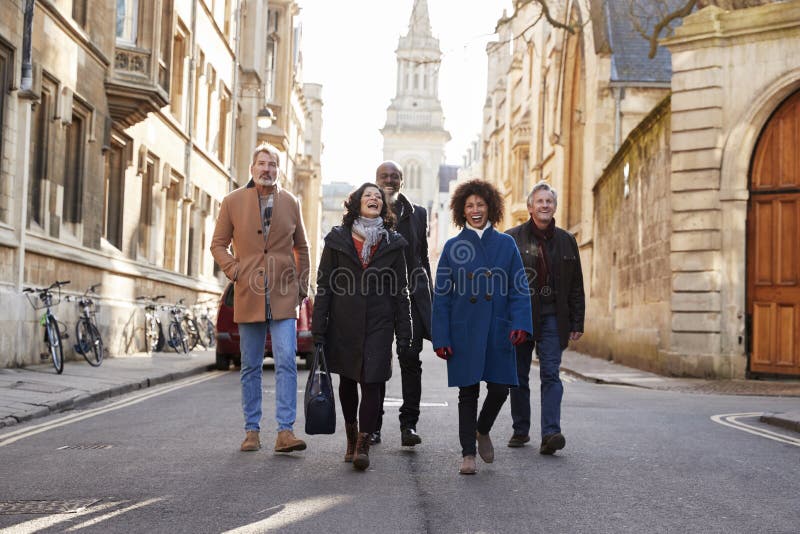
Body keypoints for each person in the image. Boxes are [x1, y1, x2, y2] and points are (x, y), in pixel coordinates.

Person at [210, 143, 310, 454]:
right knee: (250, 365)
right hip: (248, 292)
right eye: (262, 163)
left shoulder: (291, 202)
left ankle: (285, 431)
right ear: (252, 168)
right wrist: (235, 270)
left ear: (279, 170)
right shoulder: (232, 201)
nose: (267, 169)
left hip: (283, 295)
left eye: (272, 164)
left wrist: (301, 288)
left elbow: (302, 248)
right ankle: (251, 431)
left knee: (286, 362)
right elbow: (218, 245)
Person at [432, 179, 532, 475]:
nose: (475, 210)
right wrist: (442, 336)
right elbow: (442, 297)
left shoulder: (505, 244)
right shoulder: (453, 247)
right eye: (470, 205)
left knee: (501, 388)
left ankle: (482, 428)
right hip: (464, 328)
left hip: (498, 327)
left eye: (480, 204)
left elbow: (519, 287)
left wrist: (521, 323)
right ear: (462, 211)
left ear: (490, 207)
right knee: (468, 392)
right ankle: (467, 454)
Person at [312, 183, 412, 471]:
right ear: (356, 203)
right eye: (367, 195)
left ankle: (364, 443)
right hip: (344, 321)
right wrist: (319, 328)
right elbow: (324, 286)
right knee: (347, 380)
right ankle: (352, 433)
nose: (373, 198)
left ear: (383, 206)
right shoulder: (336, 239)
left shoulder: (394, 243)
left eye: (378, 197)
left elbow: (401, 291)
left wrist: (404, 332)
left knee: (373, 380)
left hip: (380, 321)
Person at [505, 181, 585, 455]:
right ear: (530, 207)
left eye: (549, 201)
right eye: (539, 201)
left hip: (553, 316)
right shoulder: (511, 239)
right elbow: (502, 283)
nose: (544, 206)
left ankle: (551, 433)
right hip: (521, 317)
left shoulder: (567, 240)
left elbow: (576, 284)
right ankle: (521, 429)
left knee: (551, 373)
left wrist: (577, 322)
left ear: (555, 207)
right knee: (518, 375)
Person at [372, 160, 433, 447]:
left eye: (395, 176)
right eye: (384, 175)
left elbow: (423, 259)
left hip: (410, 300)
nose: (390, 180)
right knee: (377, 364)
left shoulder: (418, 214)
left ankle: (409, 425)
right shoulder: (368, 209)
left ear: (402, 181)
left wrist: (428, 298)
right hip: (378, 301)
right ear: (375, 179)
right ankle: (373, 427)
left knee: (410, 361)